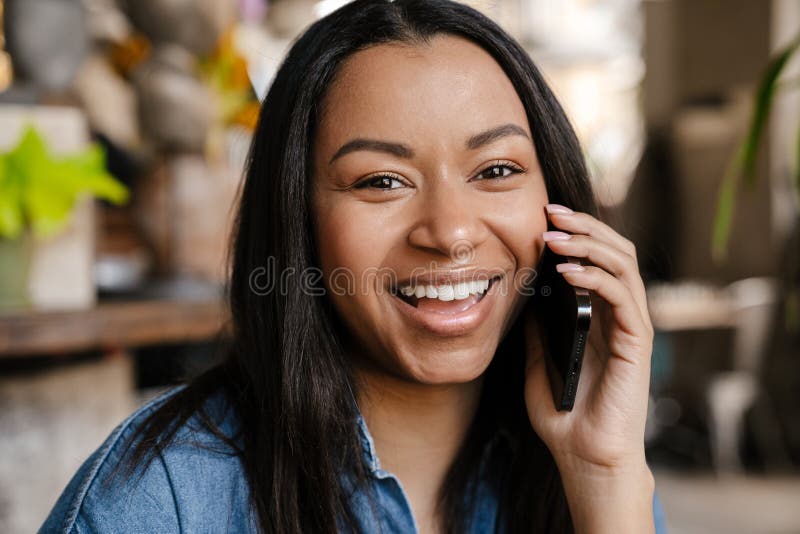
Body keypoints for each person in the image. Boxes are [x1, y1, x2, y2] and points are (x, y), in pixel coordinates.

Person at [41, 0, 667, 532]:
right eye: (381, 181)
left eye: (496, 171)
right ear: (298, 218)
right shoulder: (162, 500)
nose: (450, 233)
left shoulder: (599, 476)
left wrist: (603, 478)